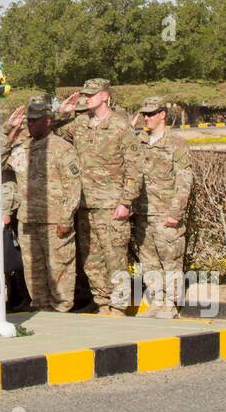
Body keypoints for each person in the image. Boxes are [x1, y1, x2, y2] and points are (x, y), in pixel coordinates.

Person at [53, 78, 142, 314]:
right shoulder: (80, 124)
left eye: (92, 94)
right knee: (92, 261)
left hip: (111, 205)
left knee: (115, 259)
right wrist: (61, 112)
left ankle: (120, 306)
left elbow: (134, 167)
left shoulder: (121, 126)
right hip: (85, 205)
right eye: (85, 94)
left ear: (105, 96)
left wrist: (126, 201)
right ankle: (103, 303)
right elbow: (54, 133)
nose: (86, 98)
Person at [3, 95, 81, 313]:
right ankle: (41, 310)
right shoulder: (22, 148)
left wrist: (66, 218)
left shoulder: (61, 148)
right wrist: (6, 132)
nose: (31, 124)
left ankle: (62, 311)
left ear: (48, 120)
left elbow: (72, 186)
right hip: (28, 220)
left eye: (36, 120)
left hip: (54, 220)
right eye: (29, 120)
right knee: (33, 271)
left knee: (59, 271)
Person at [133, 97, 193, 318]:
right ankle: (156, 300)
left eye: (151, 114)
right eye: (144, 114)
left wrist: (176, 213)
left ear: (162, 115)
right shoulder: (138, 141)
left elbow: (184, 180)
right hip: (143, 213)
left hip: (166, 212)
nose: (146, 118)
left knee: (171, 261)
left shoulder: (176, 144)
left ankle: (171, 303)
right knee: (148, 261)